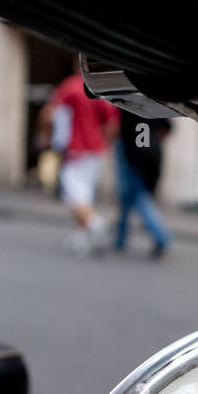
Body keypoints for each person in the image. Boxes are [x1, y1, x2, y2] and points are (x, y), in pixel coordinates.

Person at [40, 66, 119, 256]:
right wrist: (104, 143)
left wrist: (47, 136)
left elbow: (48, 113)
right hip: (94, 151)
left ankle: (96, 223)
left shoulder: (70, 87)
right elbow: (112, 124)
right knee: (84, 196)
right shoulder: (98, 90)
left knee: (72, 195)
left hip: (74, 150)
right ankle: (80, 239)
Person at [114, 111, 172, 256]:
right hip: (149, 154)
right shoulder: (155, 105)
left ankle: (161, 237)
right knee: (128, 198)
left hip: (135, 156)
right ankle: (120, 237)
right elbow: (167, 127)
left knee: (139, 198)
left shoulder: (131, 103)